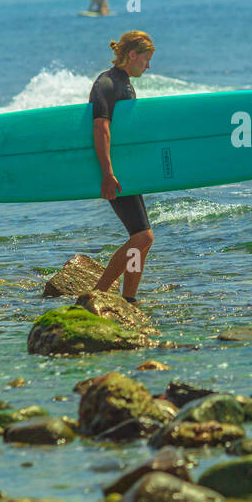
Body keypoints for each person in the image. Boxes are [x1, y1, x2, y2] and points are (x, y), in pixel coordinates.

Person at [90, 30, 155, 302]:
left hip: (125, 171)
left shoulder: (125, 83)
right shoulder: (106, 83)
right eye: (146, 59)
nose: (148, 65)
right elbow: (101, 128)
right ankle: (99, 293)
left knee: (142, 237)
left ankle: (128, 298)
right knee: (142, 238)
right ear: (132, 55)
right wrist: (107, 174)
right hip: (112, 171)